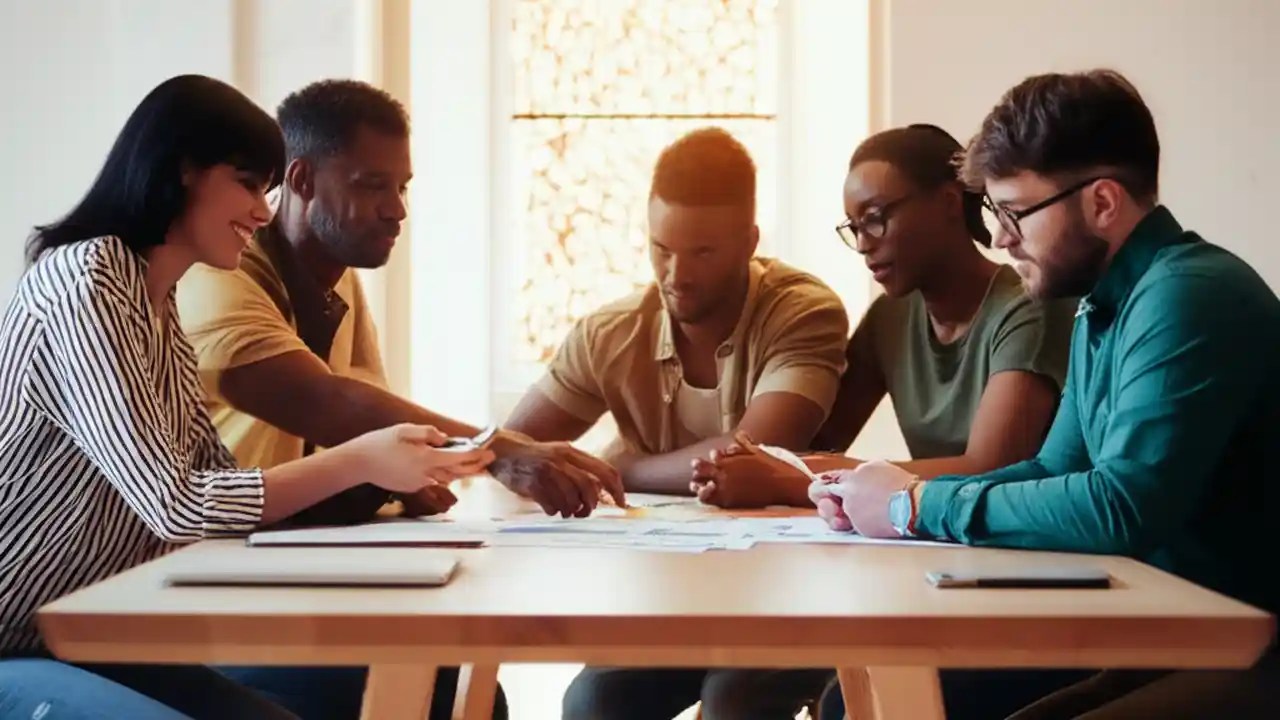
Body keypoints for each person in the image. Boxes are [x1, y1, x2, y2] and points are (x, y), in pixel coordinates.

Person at [0, 75, 493, 720]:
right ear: (182, 171)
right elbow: (177, 506)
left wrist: (386, 475)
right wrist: (363, 461)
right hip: (20, 639)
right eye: (247, 184)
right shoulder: (88, 279)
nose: (264, 210)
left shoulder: (153, 295)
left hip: (89, 633)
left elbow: (221, 482)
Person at [814, 69, 1280, 719]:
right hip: (1159, 626)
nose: (1000, 237)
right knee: (857, 699)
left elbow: (1120, 507)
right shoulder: (1102, 307)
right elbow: (1051, 470)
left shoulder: (1188, 295)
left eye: (1014, 213)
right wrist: (894, 493)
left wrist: (913, 508)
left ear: (1102, 203)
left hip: (1247, 645)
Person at [175, 79, 622, 525]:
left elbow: (369, 418)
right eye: (372, 186)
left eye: (401, 187)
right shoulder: (219, 273)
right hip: (204, 548)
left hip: (286, 543)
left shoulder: (336, 272)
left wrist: (399, 477)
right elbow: (324, 402)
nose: (397, 210)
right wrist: (495, 450)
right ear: (302, 179)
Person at [540, 128, 848, 719]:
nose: (675, 273)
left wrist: (622, 468)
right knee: (592, 700)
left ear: (748, 242)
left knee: (734, 697)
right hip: (664, 591)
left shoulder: (803, 310)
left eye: (702, 252)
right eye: (662, 248)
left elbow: (759, 451)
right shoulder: (610, 332)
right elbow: (519, 447)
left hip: (788, 589)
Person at [690, 124, 1075, 510]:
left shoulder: (1026, 310)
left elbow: (988, 469)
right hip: (933, 538)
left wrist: (798, 480)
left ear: (948, 202)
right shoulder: (891, 317)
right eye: (854, 227)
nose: (862, 244)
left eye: (875, 218)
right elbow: (818, 440)